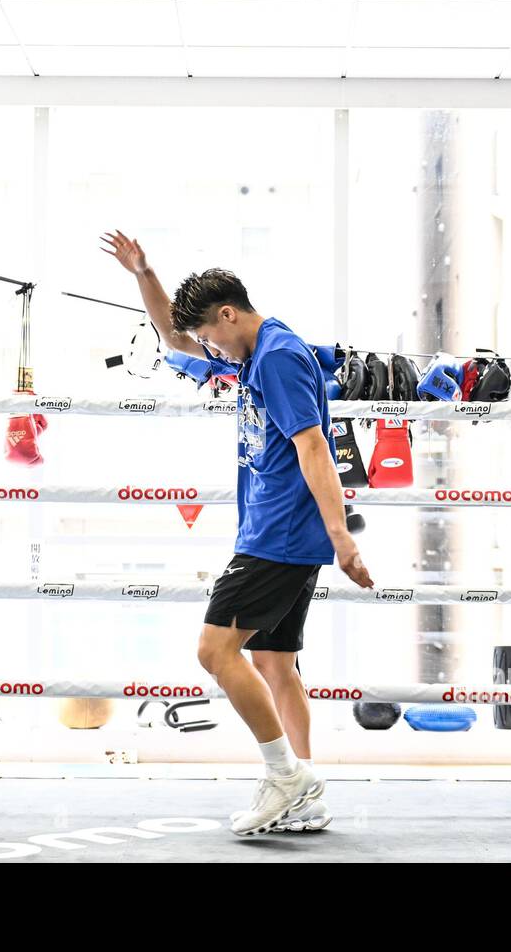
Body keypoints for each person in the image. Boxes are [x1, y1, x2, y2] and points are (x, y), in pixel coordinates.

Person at [102, 230, 374, 836]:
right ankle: (305, 792)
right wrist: (144, 273)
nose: (207, 350)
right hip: (278, 530)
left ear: (229, 314)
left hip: (277, 536)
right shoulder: (253, 353)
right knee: (275, 662)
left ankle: (286, 779)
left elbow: (313, 447)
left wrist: (341, 534)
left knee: (214, 651)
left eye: (210, 336)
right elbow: (173, 336)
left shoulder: (276, 357)